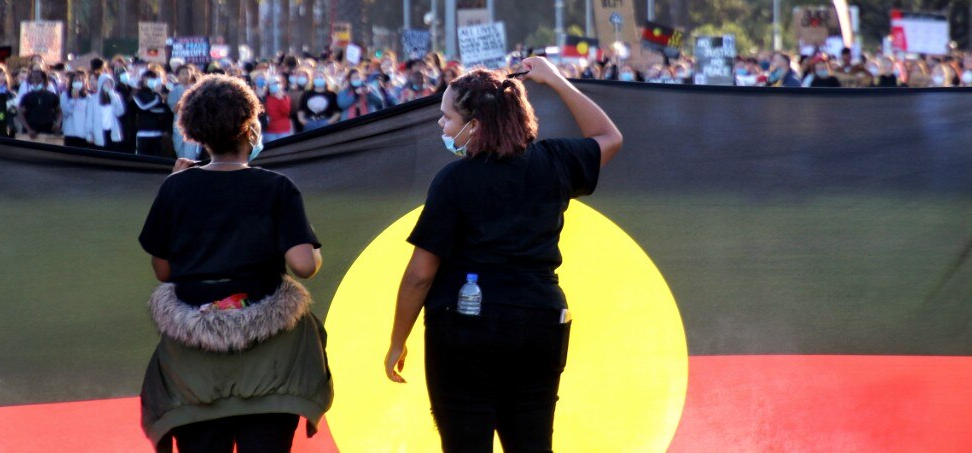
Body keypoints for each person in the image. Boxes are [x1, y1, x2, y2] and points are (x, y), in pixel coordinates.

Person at [384, 57, 623, 452]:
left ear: (474, 125)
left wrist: (398, 340)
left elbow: (420, 275)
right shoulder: (554, 161)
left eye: (446, 117)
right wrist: (557, 81)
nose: (441, 125)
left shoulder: (454, 180)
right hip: (540, 324)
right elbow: (608, 136)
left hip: (466, 328)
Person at [139, 74, 331, 451]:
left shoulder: (175, 188)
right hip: (271, 360)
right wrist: (311, 245)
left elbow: (163, 271)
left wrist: (174, 188)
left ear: (197, 134)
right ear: (250, 128)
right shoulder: (277, 188)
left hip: (194, 360)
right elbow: (304, 265)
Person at [17, 69, 61, 141]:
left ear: (43, 79)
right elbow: (20, 113)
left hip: (48, 132)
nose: (35, 80)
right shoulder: (26, 97)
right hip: (31, 133)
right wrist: (28, 129)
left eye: (37, 77)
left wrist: (58, 123)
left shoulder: (52, 95)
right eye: (33, 78)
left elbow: (59, 111)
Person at [60, 73, 94, 148]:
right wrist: (74, 100)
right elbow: (65, 112)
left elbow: (90, 116)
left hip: (83, 134)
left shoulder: (88, 97)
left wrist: (90, 133)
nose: (78, 82)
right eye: (75, 80)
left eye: (80, 80)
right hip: (70, 132)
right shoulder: (65, 95)